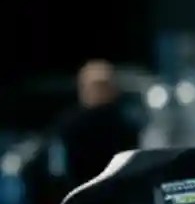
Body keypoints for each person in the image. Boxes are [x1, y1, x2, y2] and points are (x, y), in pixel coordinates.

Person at [50, 59, 142, 189]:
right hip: (79, 192)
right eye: (96, 86)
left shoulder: (126, 123)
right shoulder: (68, 126)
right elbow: (58, 169)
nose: (99, 92)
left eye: (104, 86)